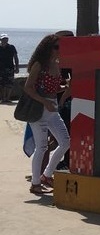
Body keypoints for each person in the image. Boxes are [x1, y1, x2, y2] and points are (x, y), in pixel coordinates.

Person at [22, 34, 70, 195]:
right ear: (48, 48)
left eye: (61, 47)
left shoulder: (56, 64)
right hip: (39, 110)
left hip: (52, 109)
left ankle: (46, 175)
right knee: (42, 147)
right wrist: (44, 102)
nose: (59, 50)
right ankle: (35, 183)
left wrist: (65, 88)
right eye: (56, 47)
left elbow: (52, 89)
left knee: (65, 142)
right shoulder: (39, 65)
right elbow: (28, 87)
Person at [0, 33, 19, 103]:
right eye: (3, 39)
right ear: (0, 40)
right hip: (0, 69)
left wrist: (17, 67)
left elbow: (15, 57)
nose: (5, 40)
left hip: (10, 68)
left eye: (6, 39)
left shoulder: (11, 47)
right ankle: (3, 98)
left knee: (9, 84)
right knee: (1, 84)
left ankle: (7, 98)